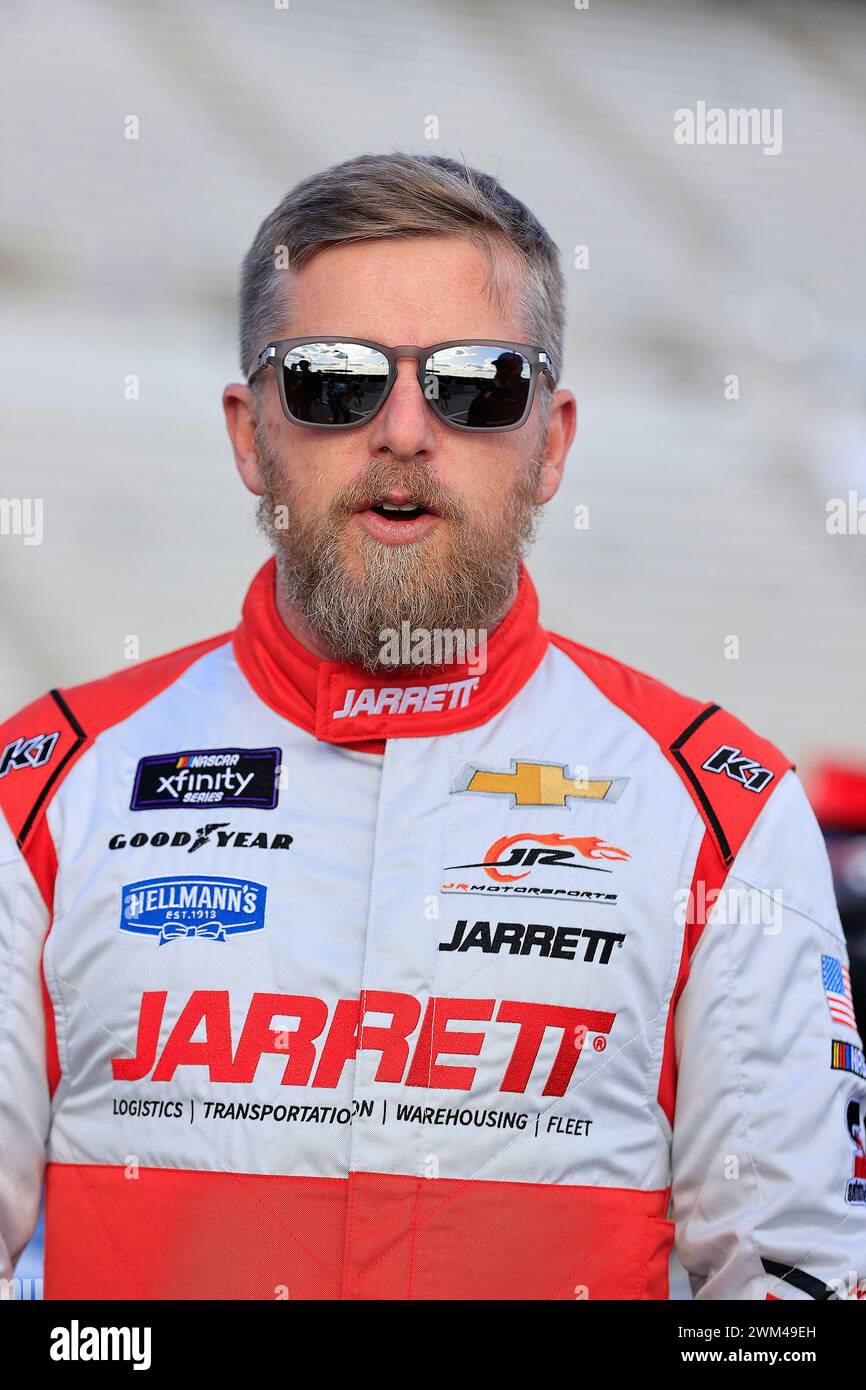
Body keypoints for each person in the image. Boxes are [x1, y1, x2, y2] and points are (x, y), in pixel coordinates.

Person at [0, 152, 862, 1302]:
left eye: (477, 384)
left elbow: (796, 1291)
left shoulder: (723, 815)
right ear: (250, 432)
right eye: (329, 379)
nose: (404, 428)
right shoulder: (41, 799)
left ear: (550, 441)